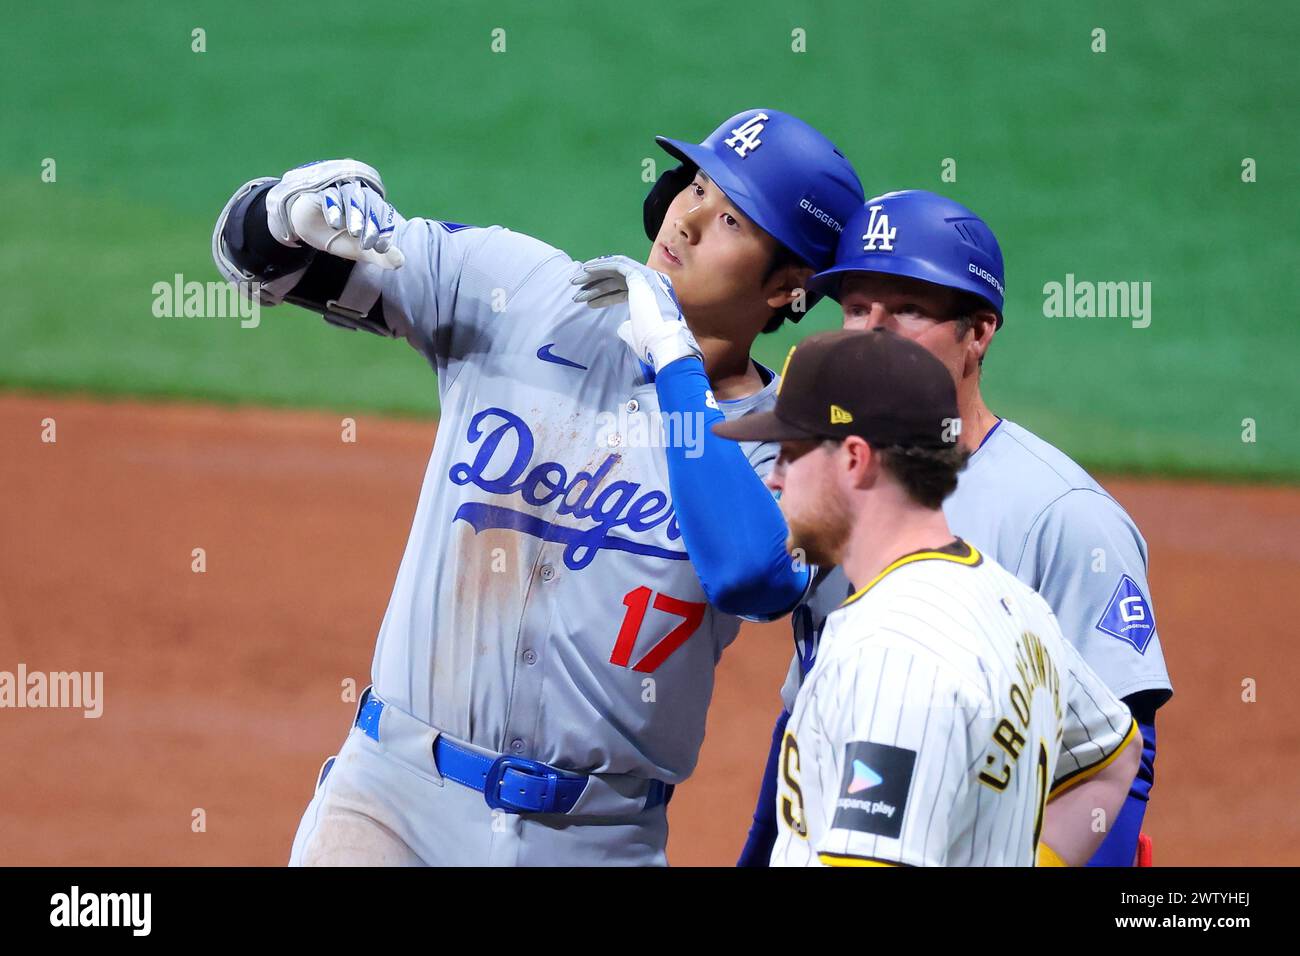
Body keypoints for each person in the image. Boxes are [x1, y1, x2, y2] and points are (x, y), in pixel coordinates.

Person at [209, 109, 864, 865]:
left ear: (789, 286)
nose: (685, 221)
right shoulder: (520, 292)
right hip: (389, 808)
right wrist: (287, 210)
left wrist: (676, 367)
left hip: (597, 839)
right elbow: (253, 263)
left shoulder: (790, 449)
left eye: (730, 219)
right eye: (696, 187)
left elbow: (753, 576)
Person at [648, 190, 1171, 867]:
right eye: (858, 308)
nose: (871, 331)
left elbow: (1124, 760)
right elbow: (811, 705)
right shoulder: (843, 495)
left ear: (977, 332)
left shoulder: (1062, 514)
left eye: (908, 310)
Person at [713, 329, 1141, 866]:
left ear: (853, 460)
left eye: (791, 455)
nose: (774, 479)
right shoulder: (1017, 607)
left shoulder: (894, 654)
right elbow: (1111, 757)